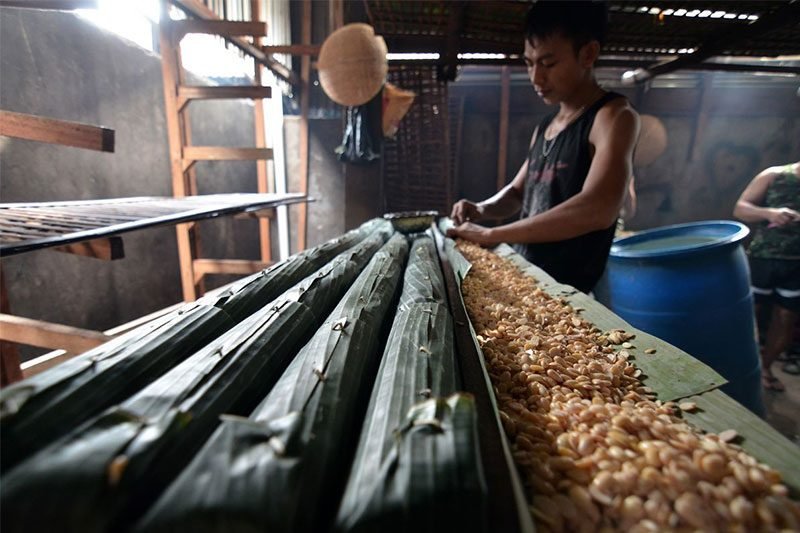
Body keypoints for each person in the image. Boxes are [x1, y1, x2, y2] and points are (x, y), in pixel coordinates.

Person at [447, 0, 639, 294]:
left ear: (588, 54)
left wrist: (492, 233)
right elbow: (517, 193)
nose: (536, 77)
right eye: (529, 63)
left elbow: (598, 207)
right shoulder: (546, 127)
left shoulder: (612, 117)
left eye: (548, 63)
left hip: (572, 294)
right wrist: (481, 209)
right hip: (530, 279)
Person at [733, 162, 800, 392]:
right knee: (751, 312)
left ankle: (766, 367)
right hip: (765, 258)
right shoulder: (775, 175)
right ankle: (740, 365)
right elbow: (740, 209)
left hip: (796, 265)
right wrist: (771, 213)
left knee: (786, 318)